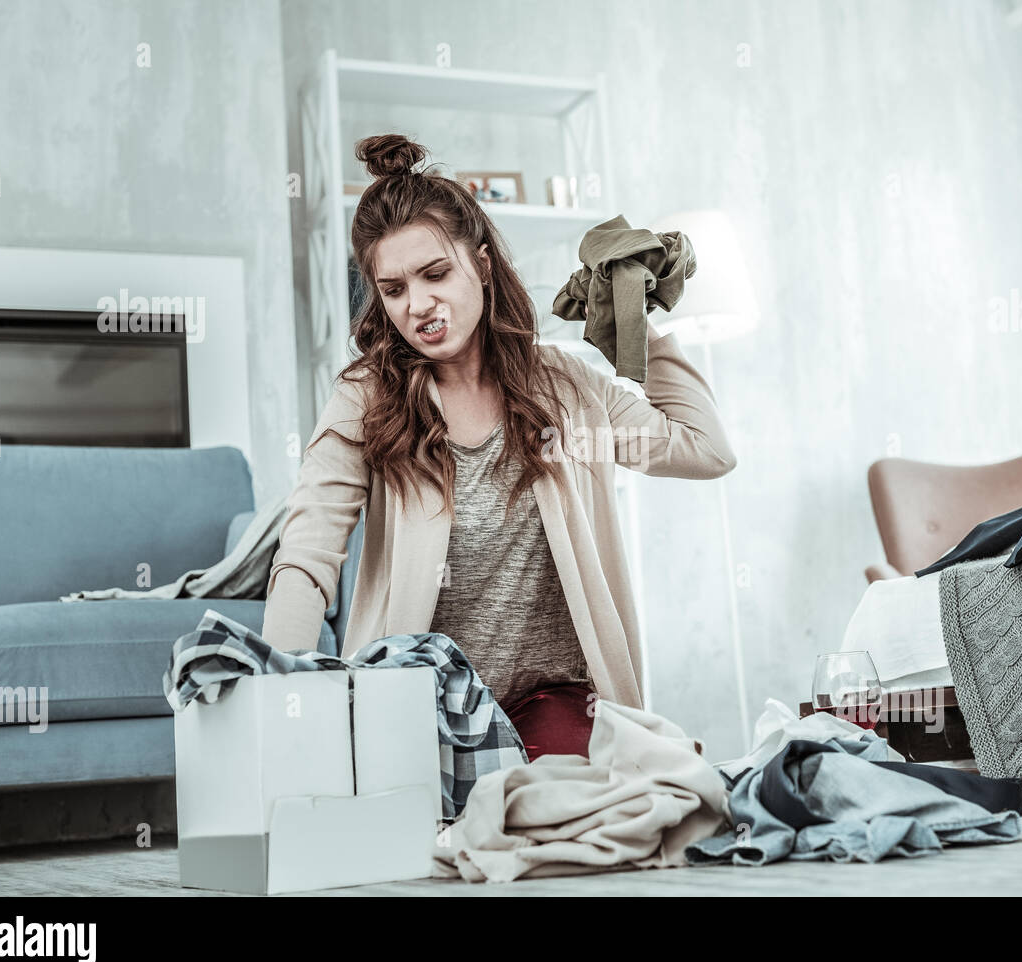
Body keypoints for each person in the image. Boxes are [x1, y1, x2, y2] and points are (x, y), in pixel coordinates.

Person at [261, 133, 737, 759]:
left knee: (559, 812)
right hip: (418, 700)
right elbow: (308, 552)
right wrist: (278, 698)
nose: (419, 304)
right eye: (394, 289)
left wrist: (634, 323)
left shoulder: (566, 388)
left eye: (436, 274)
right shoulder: (366, 396)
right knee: (442, 825)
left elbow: (706, 450)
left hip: (554, 700)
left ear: (481, 264)